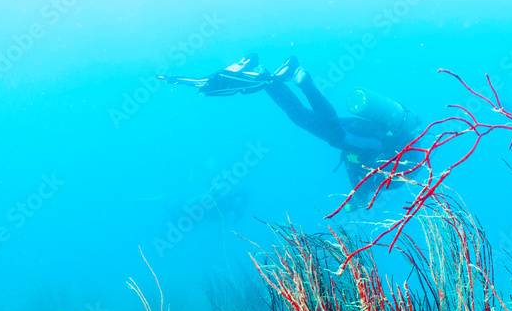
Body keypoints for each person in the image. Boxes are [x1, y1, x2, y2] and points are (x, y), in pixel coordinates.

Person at [158, 54, 420, 207]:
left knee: (304, 120)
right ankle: (302, 78)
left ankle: (265, 74)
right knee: (336, 136)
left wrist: (355, 199)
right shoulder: (389, 179)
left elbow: (356, 171)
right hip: (374, 140)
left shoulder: (377, 178)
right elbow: (366, 174)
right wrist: (361, 197)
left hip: (367, 136)